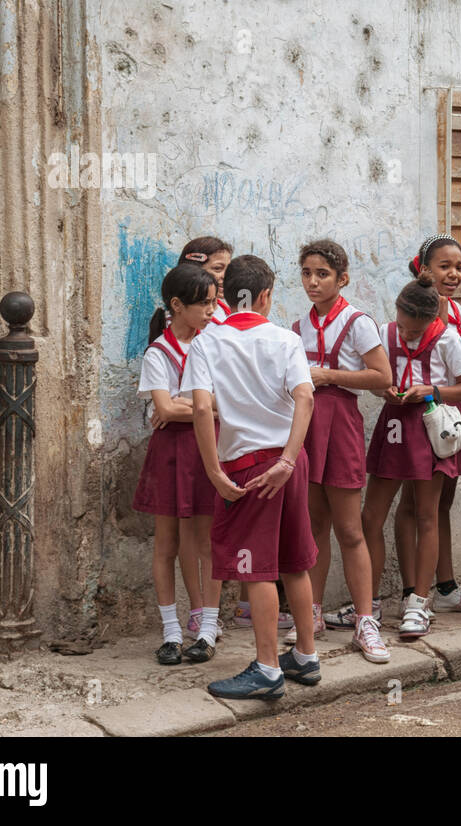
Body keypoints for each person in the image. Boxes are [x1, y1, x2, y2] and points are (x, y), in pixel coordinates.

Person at [182, 255, 320, 700]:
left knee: (255, 569)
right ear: (264, 296)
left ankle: (266, 668)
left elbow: (201, 407)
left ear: (225, 294)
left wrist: (214, 472)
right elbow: (305, 399)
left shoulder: (207, 342)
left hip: (245, 468)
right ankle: (305, 653)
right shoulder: (285, 339)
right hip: (286, 463)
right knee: (293, 562)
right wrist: (288, 459)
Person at [287, 240, 392, 663]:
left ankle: (366, 620)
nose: (313, 282)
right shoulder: (297, 326)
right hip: (306, 422)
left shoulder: (358, 322)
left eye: (323, 274)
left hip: (341, 423)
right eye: (307, 273)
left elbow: (382, 377)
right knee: (313, 524)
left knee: (350, 528)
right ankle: (310, 613)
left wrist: (329, 374)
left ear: (341, 278)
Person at [361, 277, 461, 639]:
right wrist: (385, 390)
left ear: (430, 321)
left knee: (427, 515)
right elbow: (377, 377)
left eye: (416, 329)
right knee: (370, 516)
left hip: (429, 429)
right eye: (404, 326)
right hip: (394, 425)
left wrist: (431, 390)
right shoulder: (384, 331)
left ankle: (419, 602)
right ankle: (371, 601)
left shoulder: (447, 338)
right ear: (395, 312)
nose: (408, 335)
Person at [133, 263, 220, 665]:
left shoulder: (213, 343)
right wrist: (199, 406)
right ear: (176, 305)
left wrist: (186, 406)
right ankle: (170, 629)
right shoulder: (159, 352)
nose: (211, 309)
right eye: (203, 303)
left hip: (206, 448)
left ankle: (206, 627)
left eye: (215, 300)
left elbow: (218, 403)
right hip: (171, 453)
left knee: (205, 541)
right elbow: (163, 406)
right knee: (166, 542)